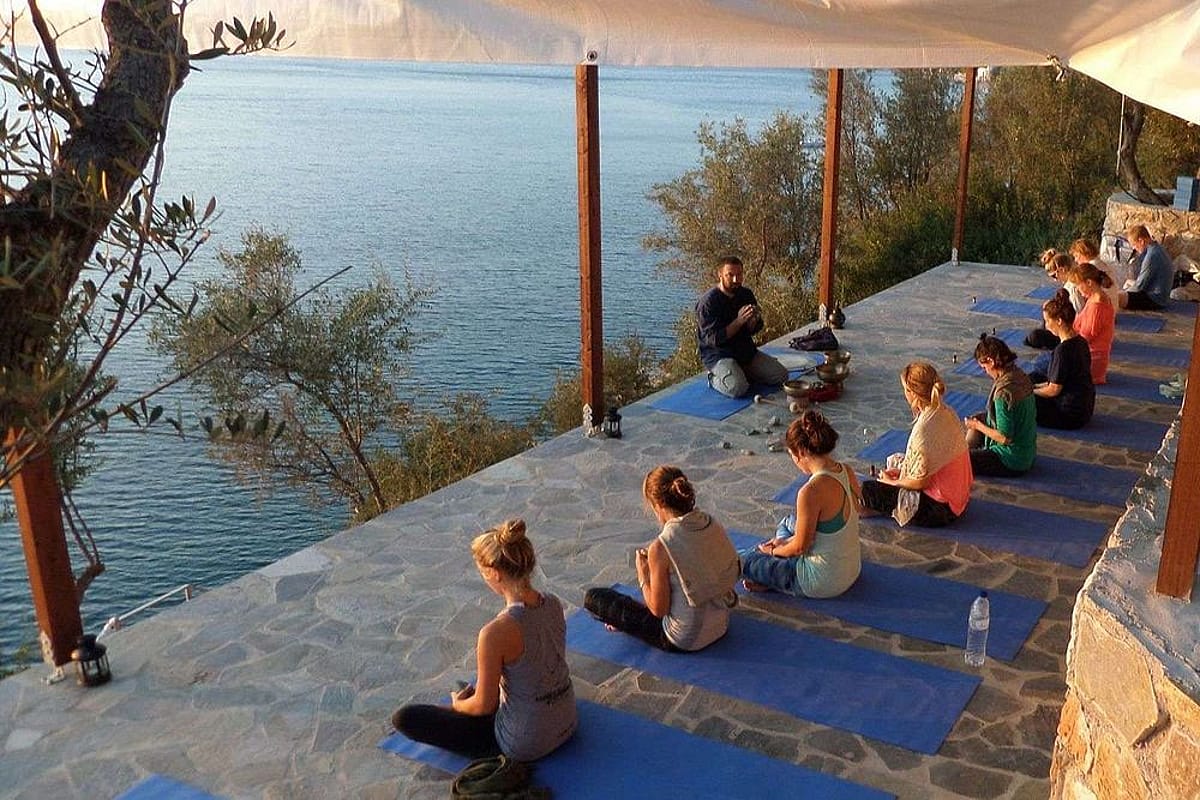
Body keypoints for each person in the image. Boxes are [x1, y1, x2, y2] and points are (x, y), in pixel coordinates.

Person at [391, 520, 577, 761]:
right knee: (472, 686)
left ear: (494, 573)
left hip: (525, 743)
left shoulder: (494, 633)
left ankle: (458, 704)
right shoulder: (552, 603)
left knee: (406, 718)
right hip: (567, 721)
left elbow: (484, 706)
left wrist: (457, 706)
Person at [584, 466, 740, 652]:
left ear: (657, 505)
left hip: (685, 639)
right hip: (720, 624)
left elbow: (658, 610)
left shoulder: (660, 547)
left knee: (594, 598)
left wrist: (643, 575)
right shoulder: (709, 522)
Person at [739, 410, 863, 598]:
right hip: (850, 569)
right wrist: (785, 543)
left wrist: (773, 550)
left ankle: (772, 576)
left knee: (742, 559)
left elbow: (800, 548)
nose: (794, 461)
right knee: (787, 522)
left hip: (821, 581)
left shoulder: (810, 492)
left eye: (793, 455)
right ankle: (771, 576)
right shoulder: (846, 470)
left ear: (802, 452)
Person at [860, 362, 973, 527]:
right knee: (896, 460)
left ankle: (885, 508)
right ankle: (886, 507)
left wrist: (893, 483)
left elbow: (921, 483)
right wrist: (902, 473)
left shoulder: (924, 429)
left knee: (865, 491)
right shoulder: (946, 411)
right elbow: (933, 463)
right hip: (958, 499)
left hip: (940, 509)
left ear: (911, 392)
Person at [695, 255, 788, 398]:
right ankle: (713, 378)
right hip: (720, 355)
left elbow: (754, 329)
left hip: (745, 352)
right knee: (738, 389)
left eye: (739, 275)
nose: (735, 280)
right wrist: (738, 321)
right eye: (730, 275)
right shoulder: (708, 303)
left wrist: (752, 322)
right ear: (720, 275)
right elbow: (714, 340)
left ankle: (742, 372)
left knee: (780, 376)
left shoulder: (746, 294)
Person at [964, 334, 1037, 477]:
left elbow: (1005, 437)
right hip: (1027, 452)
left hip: (1012, 460)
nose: (985, 371)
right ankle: (967, 450)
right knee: (978, 418)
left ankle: (965, 453)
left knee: (960, 462)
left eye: (984, 367)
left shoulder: (1004, 392)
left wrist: (978, 426)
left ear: (990, 362)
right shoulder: (1020, 375)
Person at [1029, 289, 1095, 429]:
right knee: (1033, 378)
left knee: (1022, 399)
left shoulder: (1062, 351)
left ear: (1059, 321)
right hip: (1084, 408)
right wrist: (1033, 386)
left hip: (1069, 415)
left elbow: (1053, 390)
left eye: (1047, 321)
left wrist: (1030, 391)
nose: (1046, 326)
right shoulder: (1081, 341)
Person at [1070, 262, 1116, 385]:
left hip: (1091, 360)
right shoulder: (1095, 298)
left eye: (1079, 286)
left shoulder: (1098, 305)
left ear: (1089, 282)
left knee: (1043, 366)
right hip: (1088, 355)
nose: (1078, 290)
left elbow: (1085, 338)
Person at [1026, 252, 1083, 348]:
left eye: (1054, 276)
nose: (1055, 280)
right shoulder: (1070, 284)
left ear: (1062, 270)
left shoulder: (1072, 288)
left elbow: (1079, 313)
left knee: (1035, 336)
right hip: (1065, 325)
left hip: (1069, 330)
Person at [1119, 225, 1173, 310]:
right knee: (1128, 283)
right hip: (1161, 295)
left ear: (1141, 241)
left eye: (1134, 245)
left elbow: (1139, 287)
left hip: (1156, 299)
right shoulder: (1157, 248)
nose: (1134, 248)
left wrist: (1125, 292)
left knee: (1118, 297)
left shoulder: (1151, 256)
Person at [1069, 238, 1121, 306]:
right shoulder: (1099, 263)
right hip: (1111, 304)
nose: (1075, 260)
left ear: (1084, 253)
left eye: (1076, 256)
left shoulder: (1091, 267)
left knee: (1074, 289)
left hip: (1104, 306)